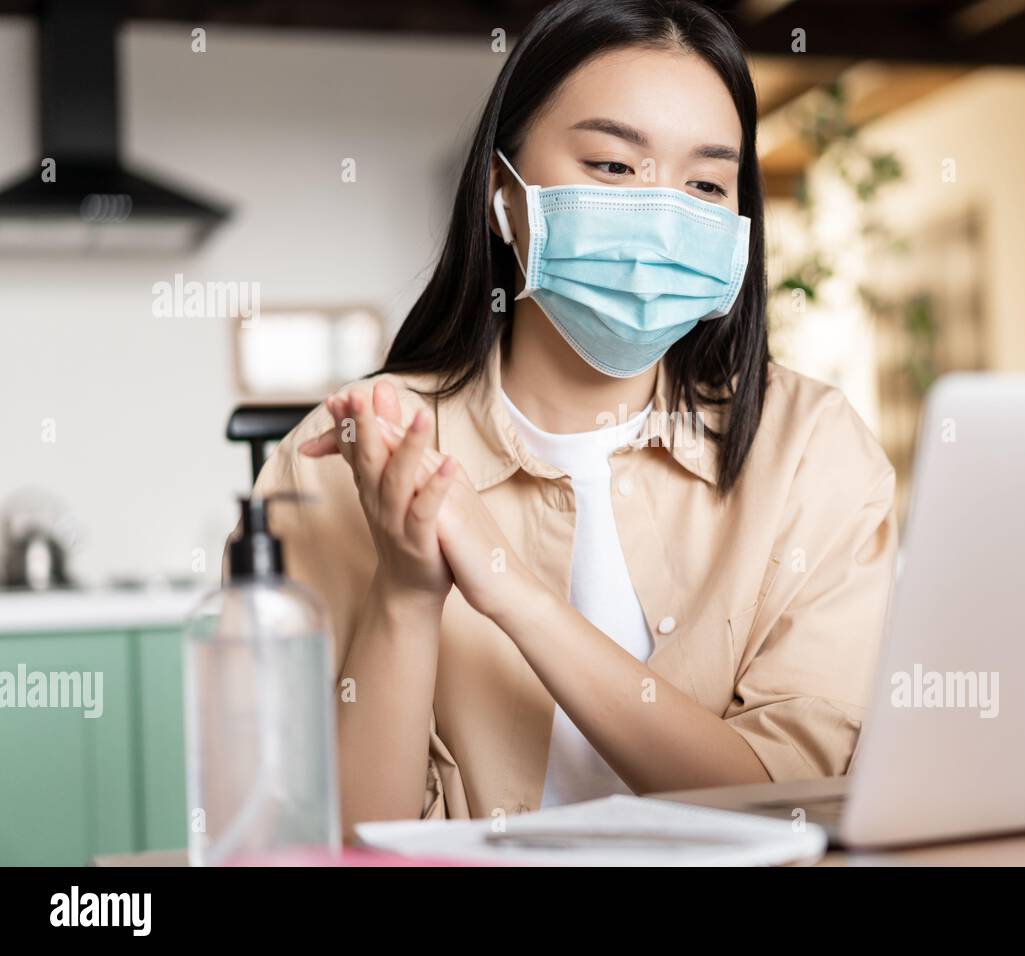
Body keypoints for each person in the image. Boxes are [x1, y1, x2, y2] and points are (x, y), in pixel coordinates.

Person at [248, 0, 896, 833]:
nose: (664, 217)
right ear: (501, 196)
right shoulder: (338, 460)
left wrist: (513, 591)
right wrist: (407, 595)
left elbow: (787, 800)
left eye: (704, 183)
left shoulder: (809, 448)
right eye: (614, 167)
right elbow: (335, 844)